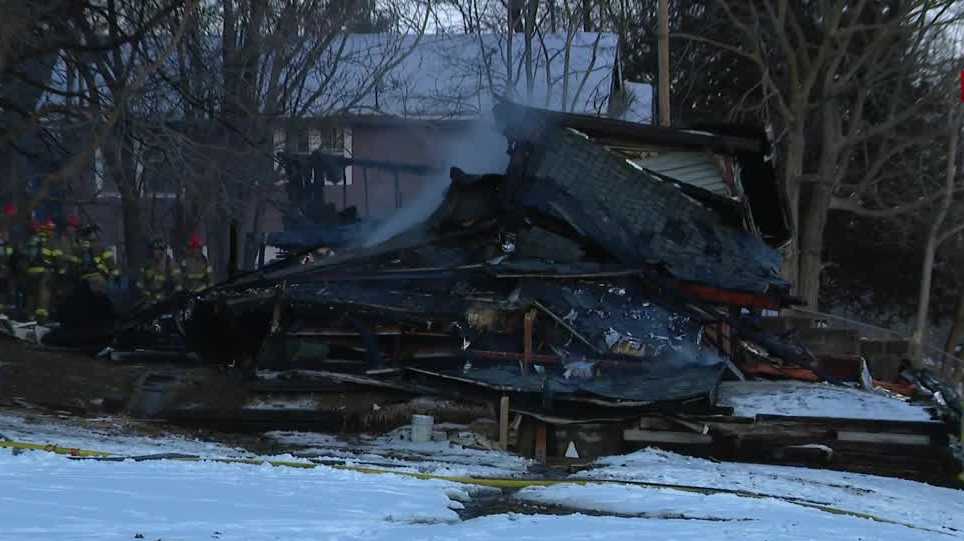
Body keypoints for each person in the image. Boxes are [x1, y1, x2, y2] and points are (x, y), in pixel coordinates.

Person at [21, 219, 57, 322]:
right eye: (51, 230)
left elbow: (24, 256)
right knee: (44, 294)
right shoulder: (48, 242)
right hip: (44, 272)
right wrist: (60, 269)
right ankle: (41, 319)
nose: (52, 232)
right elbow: (57, 257)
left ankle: (30, 317)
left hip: (30, 272)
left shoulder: (31, 240)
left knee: (31, 294)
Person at [74, 224, 120, 294]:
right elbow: (110, 262)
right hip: (98, 277)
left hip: (83, 279)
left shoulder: (78, 247)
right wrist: (115, 275)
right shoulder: (99, 246)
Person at [137, 238, 181, 304]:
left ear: (163, 251)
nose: (155, 252)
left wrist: (170, 298)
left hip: (166, 302)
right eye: (154, 249)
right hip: (149, 302)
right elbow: (140, 284)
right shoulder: (147, 266)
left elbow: (178, 285)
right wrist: (146, 294)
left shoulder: (171, 265)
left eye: (158, 249)